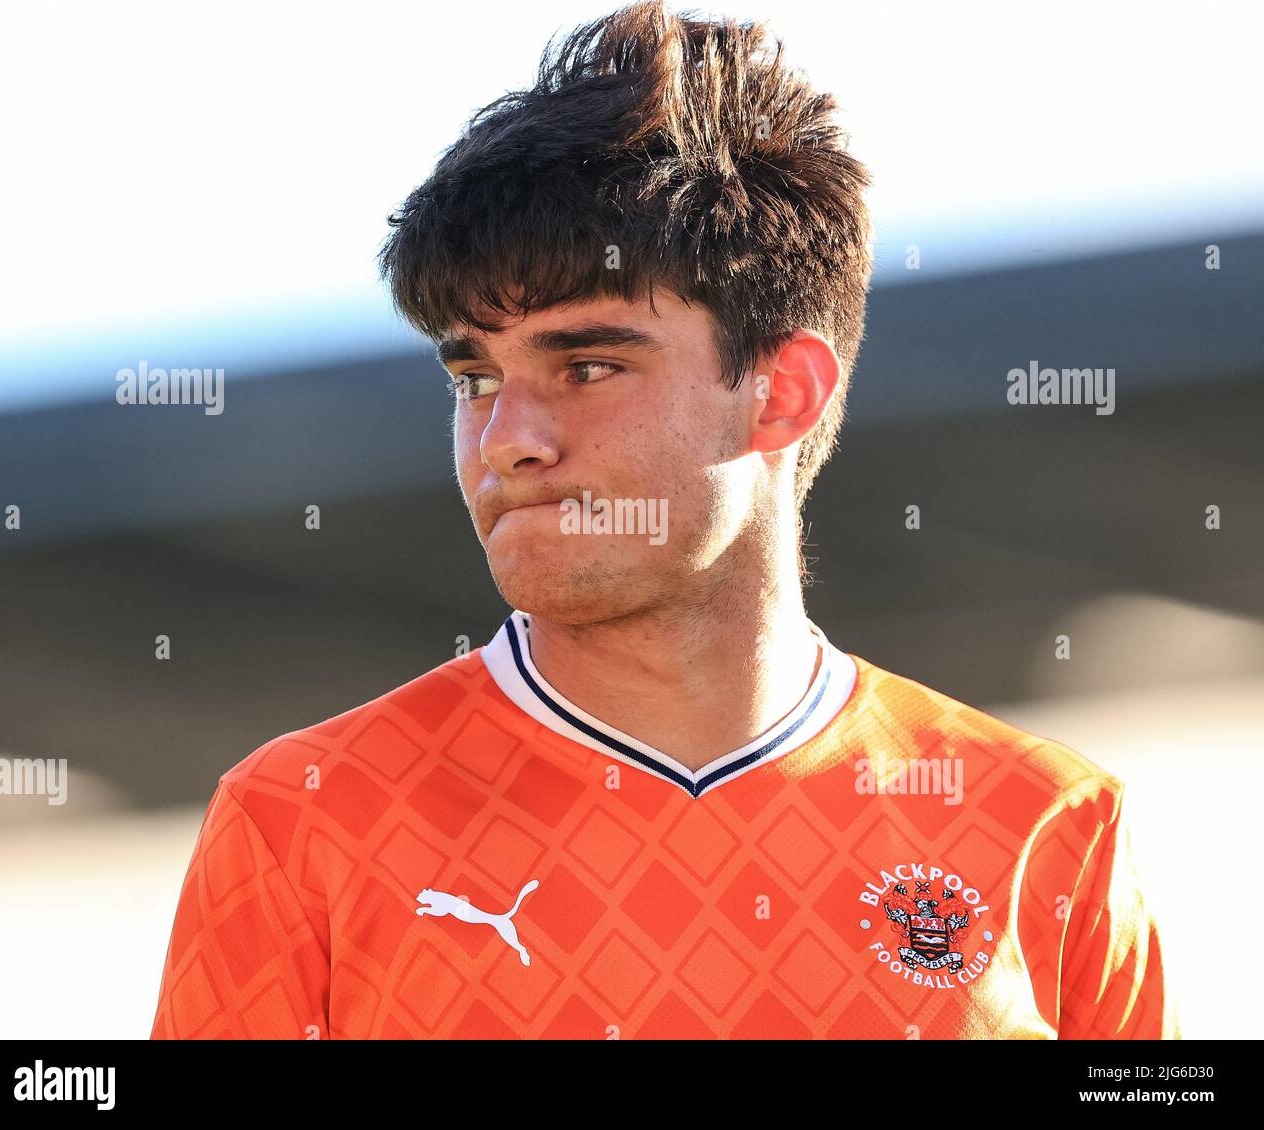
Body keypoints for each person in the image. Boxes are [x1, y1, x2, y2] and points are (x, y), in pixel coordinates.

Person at [151, 0, 1178, 1040]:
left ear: (780, 393)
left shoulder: (1049, 821)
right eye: (473, 376)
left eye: (586, 365)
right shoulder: (303, 819)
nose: (507, 438)